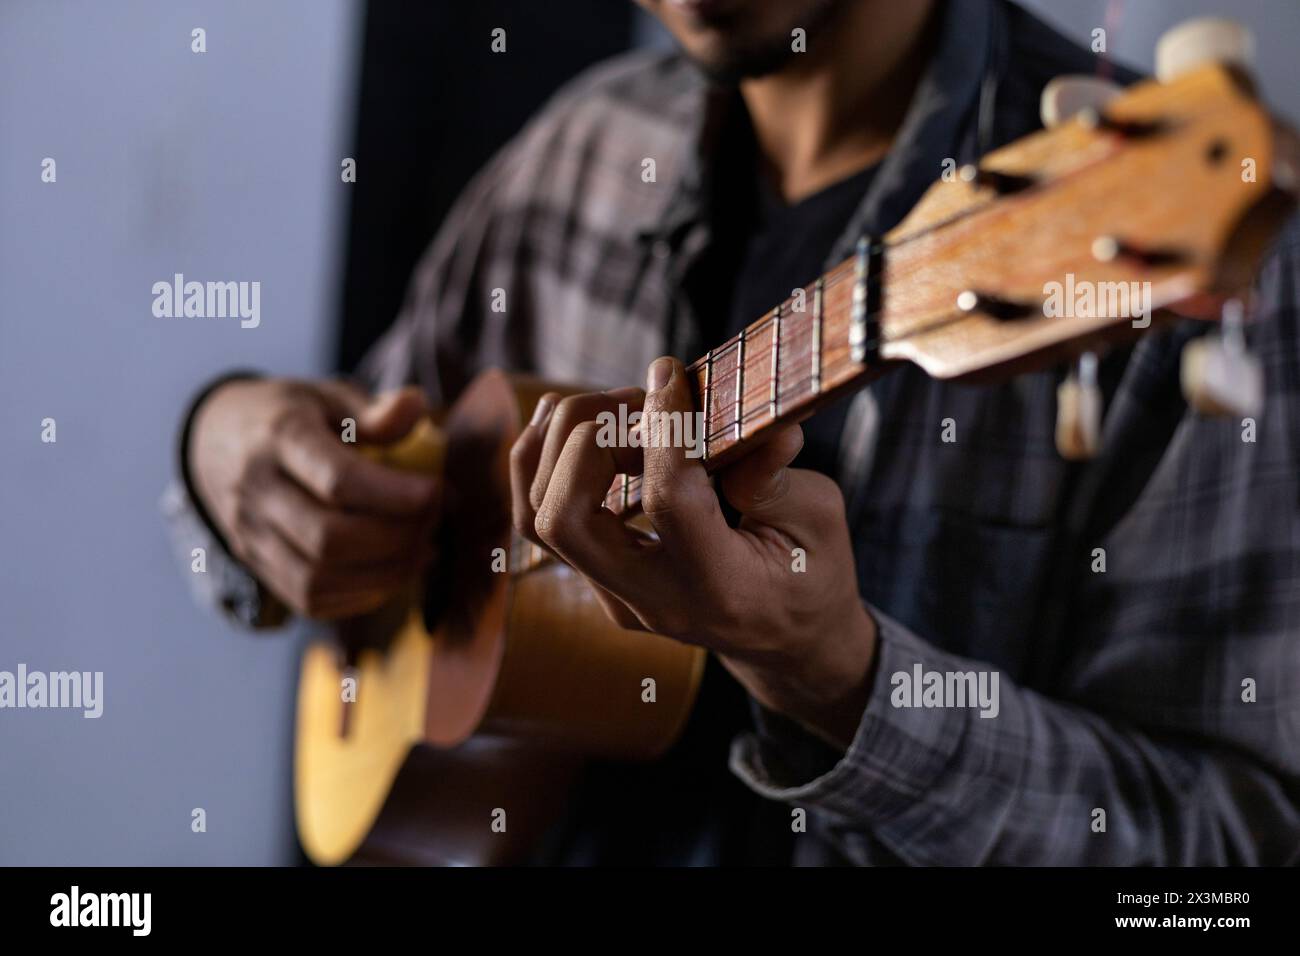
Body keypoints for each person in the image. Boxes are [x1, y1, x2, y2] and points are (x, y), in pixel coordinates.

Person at [166, 0, 1300, 864]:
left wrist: (836, 681)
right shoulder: (588, 148)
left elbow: (1230, 849)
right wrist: (219, 450)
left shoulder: (1154, 238)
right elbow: (358, 465)